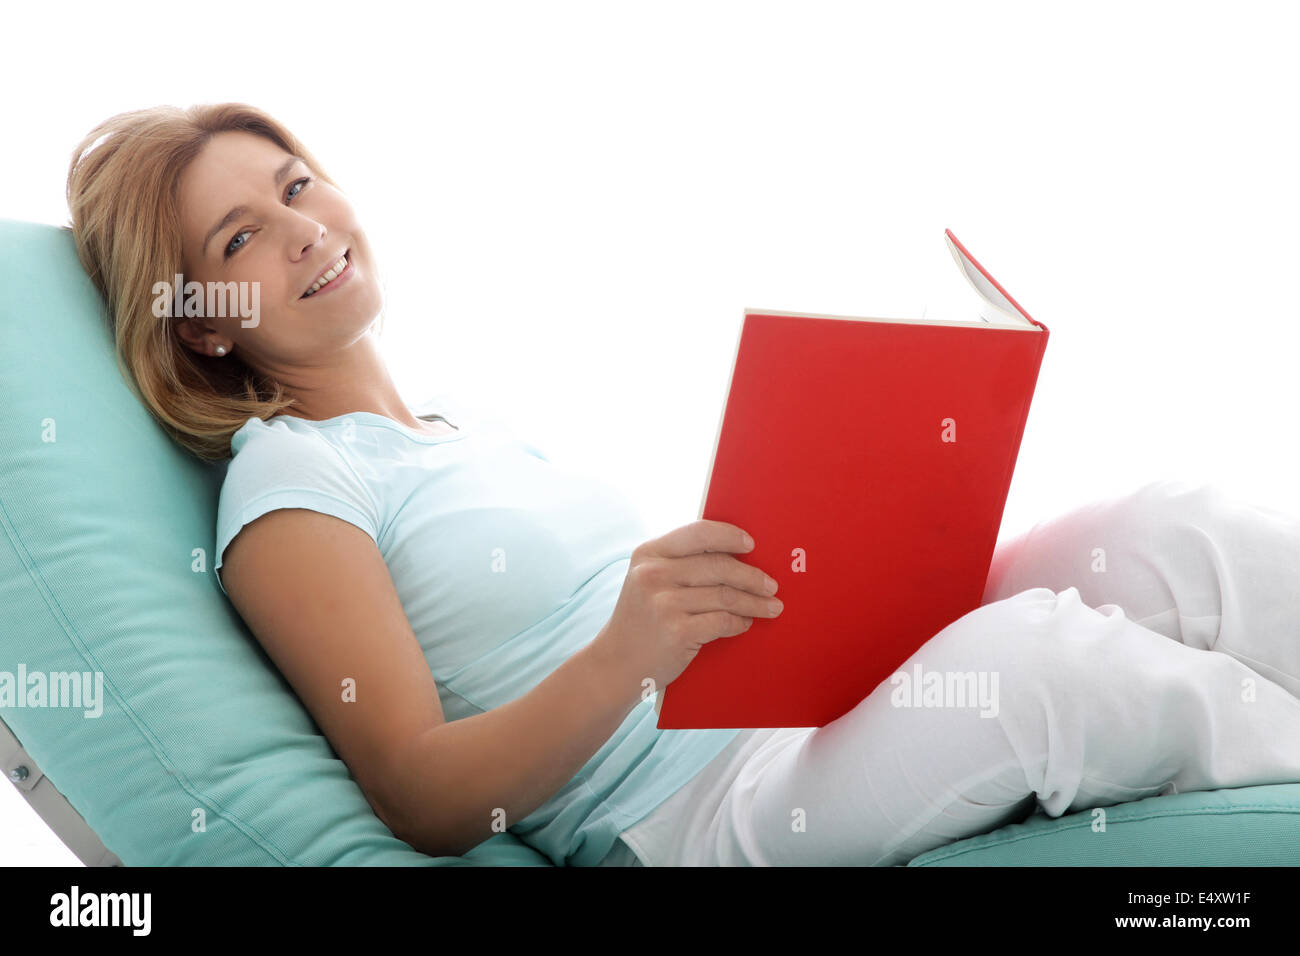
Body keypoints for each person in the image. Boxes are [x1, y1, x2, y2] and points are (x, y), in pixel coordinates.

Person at [65, 104, 1300, 867]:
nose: (300, 230)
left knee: (1164, 532)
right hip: (703, 810)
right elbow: (422, 793)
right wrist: (626, 653)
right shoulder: (290, 486)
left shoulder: (462, 428)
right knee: (1046, 665)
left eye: (292, 185)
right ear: (203, 324)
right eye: (238, 240)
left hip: (789, 696)